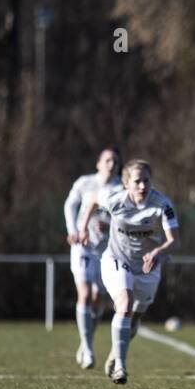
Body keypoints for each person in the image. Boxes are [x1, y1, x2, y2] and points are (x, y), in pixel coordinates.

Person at [78, 159, 178, 385]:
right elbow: (93, 198)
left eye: (146, 181)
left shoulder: (162, 204)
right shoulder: (115, 199)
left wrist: (158, 252)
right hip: (117, 259)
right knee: (124, 304)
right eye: (137, 182)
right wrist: (83, 228)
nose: (143, 186)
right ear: (126, 184)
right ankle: (120, 368)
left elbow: (174, 241)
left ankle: (116, 352)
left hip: (148, 265)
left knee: (135, 317)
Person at [63, 148, 122, 368]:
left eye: (115, 161)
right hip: (83, 246)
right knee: (85, 294)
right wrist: (73, 229)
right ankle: (87, 350)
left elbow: (125, 217)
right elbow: (70, 205)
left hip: (107, 249)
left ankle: (85, 341)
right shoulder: (85, 183)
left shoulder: (121, 187)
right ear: (98, 163)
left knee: (99, 299)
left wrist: (109, 225)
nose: (111, 164)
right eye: (107, 160)